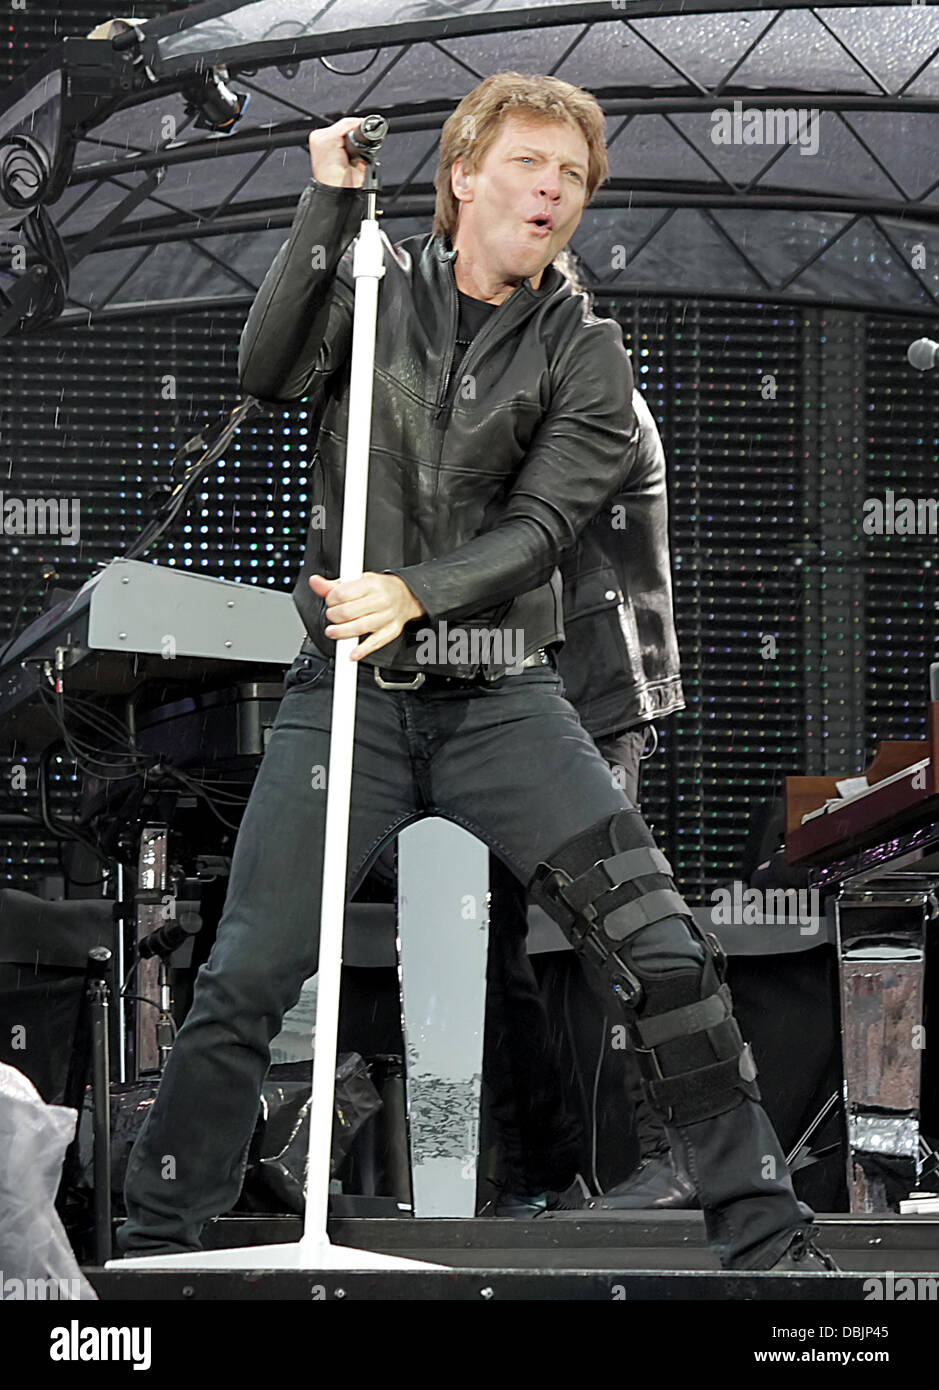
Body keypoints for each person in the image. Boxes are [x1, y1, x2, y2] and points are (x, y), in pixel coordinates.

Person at [117, 72, 833, 1272]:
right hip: (346, 694)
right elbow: (269, 370)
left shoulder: (589, 351)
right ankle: (151, 1244)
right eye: (528, 165)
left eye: (572, 176)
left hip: (502, 688)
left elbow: (543, 529)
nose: (554, 190)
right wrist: (325, 206)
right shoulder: (375, 284)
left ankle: (769, 1247)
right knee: (246, 971)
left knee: (662, 949)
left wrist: (415, 591)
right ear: (462, 177)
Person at [482, 388, 696, 1214]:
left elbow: (529, 514)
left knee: (618, 926)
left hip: (591, 697)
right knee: (481, 941)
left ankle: (678, 1153)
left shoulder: (598, 393)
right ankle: (542, 1168)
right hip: (490, 697)